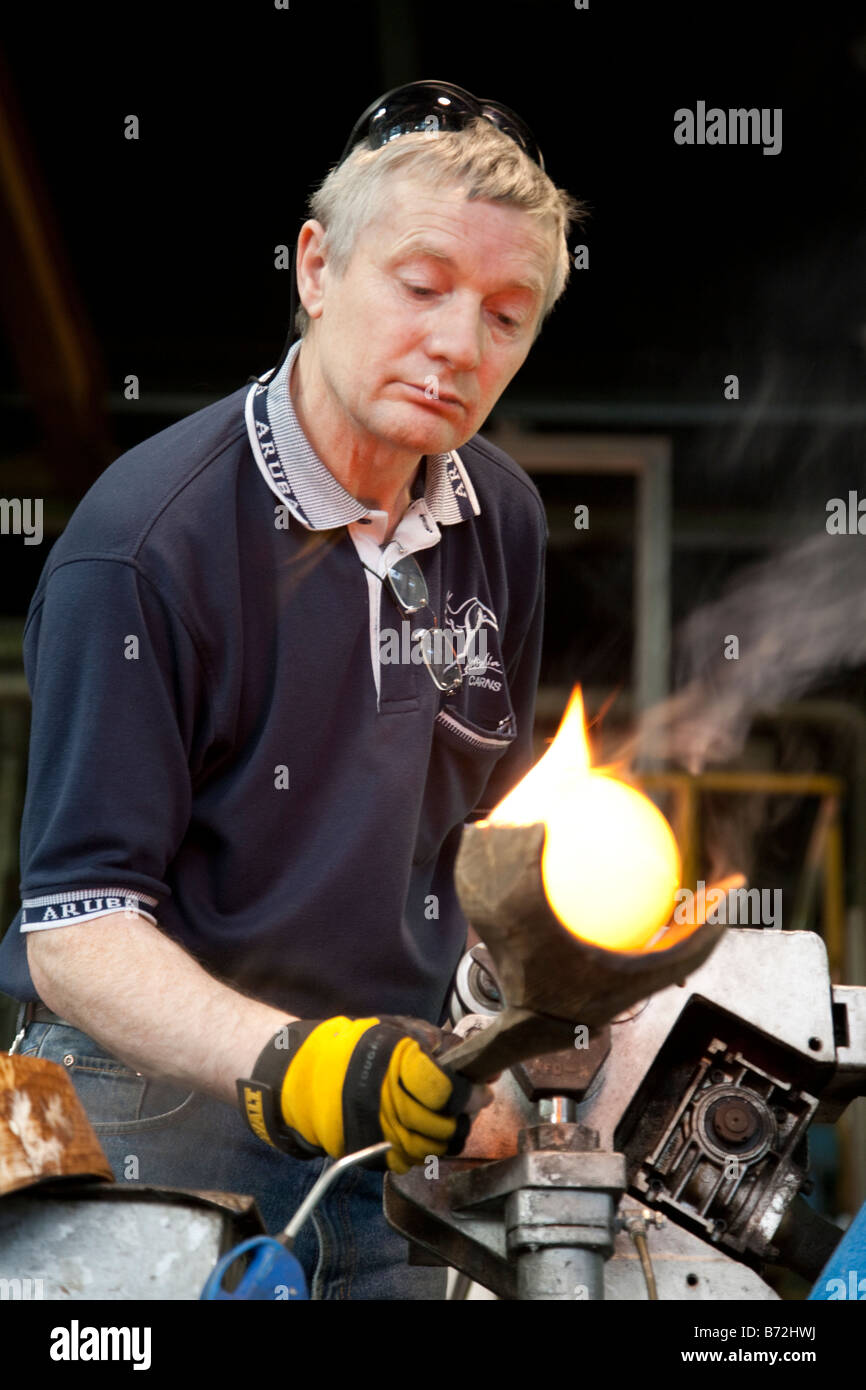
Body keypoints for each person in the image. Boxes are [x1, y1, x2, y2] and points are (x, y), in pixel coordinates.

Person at [0, 81, 583, 1299]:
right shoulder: (145, 545)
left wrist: (499, 1042)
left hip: (381, 1116)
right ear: (316, 267)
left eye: (506, 315)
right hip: (131, 1105)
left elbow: (473, 852)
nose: (457, 345)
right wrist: (303, 1064)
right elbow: (77, 939)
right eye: (420, 288)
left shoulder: (506, 525)